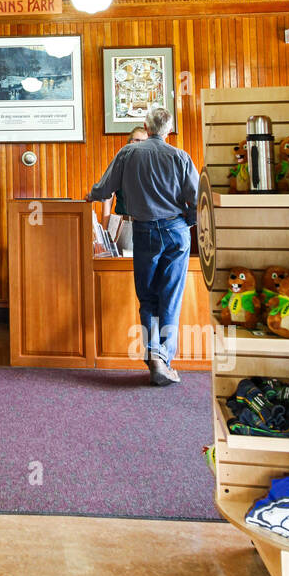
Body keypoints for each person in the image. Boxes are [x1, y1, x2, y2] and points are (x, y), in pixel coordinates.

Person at [86, 106, 199, 388]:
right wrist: (187, 222)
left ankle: (154, 355)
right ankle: (162, 358)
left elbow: (104, 189)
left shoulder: (128, 153)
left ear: (146, 129)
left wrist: (90, 196)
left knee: (148, 297)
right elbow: (198, 200)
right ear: (167, 131)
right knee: (170, 296)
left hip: (144, 230)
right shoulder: (181, 157)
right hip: (176, 231)